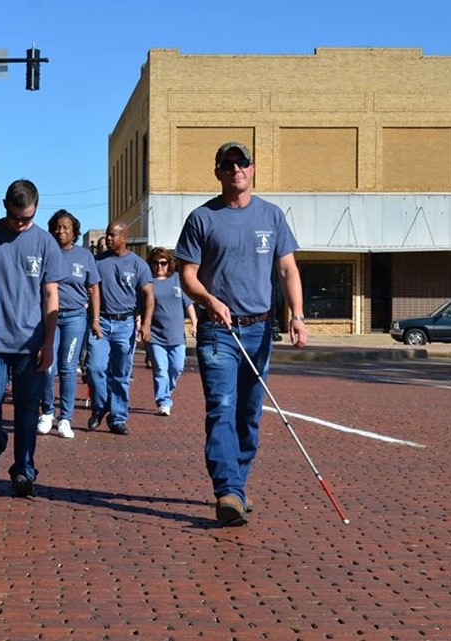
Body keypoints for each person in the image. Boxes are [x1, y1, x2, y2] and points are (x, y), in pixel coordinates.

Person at [174, 141, 308, 526]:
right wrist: (209, 300)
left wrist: (296, 315)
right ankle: (228, 490)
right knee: (221, 408)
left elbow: (288, 270)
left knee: (249, 415)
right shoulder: (202, 218)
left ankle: (239, 484)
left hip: (260, 329)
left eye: (242, 163)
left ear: (252, 169)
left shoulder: (272, 216)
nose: (236, 170)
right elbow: (187, 275)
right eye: (228, 165)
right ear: (217, 172)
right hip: (219, 333)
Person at [0, 179, 65, 498]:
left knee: (27, 410)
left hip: (30, 344)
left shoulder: (45, 242)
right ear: (4, 204)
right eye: (16, 217)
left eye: (28, 218)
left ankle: (24, 468)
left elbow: (51, 294)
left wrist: (49, 342)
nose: (21, 224)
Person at [37, 209, 100, 439]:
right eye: (57, 227)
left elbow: (93, 289)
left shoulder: (84, 256)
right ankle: (46, 412)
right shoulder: (46, 253)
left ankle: (65, 418)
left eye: (66, 228)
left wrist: (95, 319)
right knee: (47, 366)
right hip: (49, 317)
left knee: (67, 367)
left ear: (74, 232)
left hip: (75, 317)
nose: (61, 231)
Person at [87, 220, 154, 436]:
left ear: (124, 237)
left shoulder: (138, 264)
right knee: (95, 368)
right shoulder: (97, 262)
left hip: (125, 324)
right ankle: (101, 405)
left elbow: (149, 296)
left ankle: (118, 418)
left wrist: (146, 323)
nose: (108, 238)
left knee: (121, 374)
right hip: (102, 322)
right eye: (107, 234)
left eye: (112, 235)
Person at [145, 247, 197, 417]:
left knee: (176, 368)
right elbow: (141, 307)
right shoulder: (148, 282)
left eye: (163, 263)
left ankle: (166, 391)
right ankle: (163, 401)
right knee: (160, 369)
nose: (159, 266)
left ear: (169, 264)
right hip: (155, 335)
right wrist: (141, 323)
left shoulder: (177, 280)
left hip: (176, 335)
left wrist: (194, 322)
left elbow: (188, 303)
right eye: (155, 263)